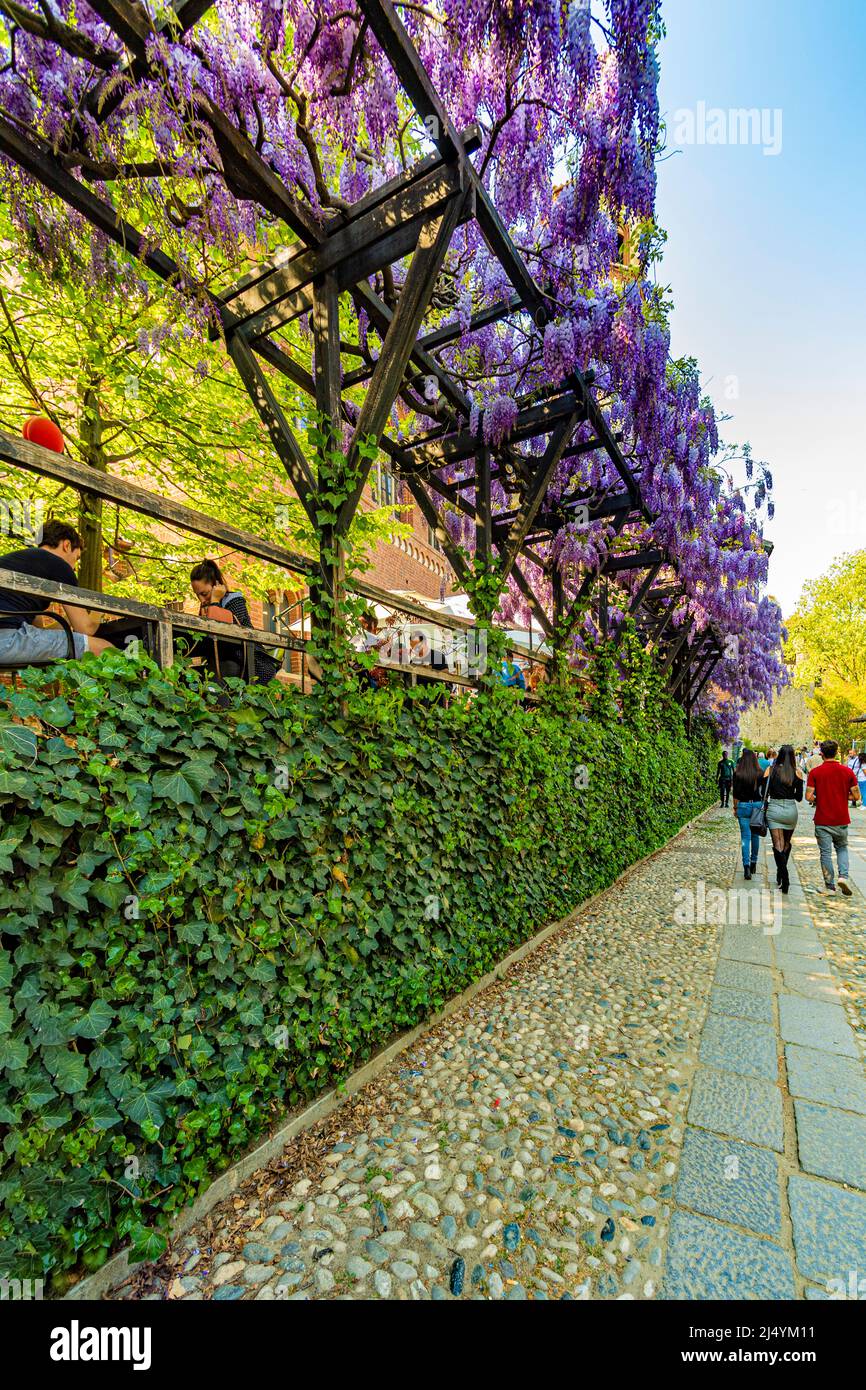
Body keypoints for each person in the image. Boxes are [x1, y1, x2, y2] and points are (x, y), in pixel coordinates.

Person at [0, 519, 113, 662]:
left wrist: (68, 620)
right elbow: (86, 629)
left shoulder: (18, 562)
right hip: (6, 639)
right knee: (105, 649)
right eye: (76, 558)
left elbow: (40, 631)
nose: (74, 567)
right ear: (67, 545)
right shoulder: (57, 564)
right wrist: (100, 607)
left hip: (8, 636)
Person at [189, 560, 281, 684]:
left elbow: (225, 633)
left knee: (217, 674)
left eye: (204, 594)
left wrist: (215, 601)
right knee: (191, 676)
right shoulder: (205, 607)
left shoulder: (234, 601)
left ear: (216, 585)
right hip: (227, 664)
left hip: (253, 665)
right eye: (197, 595)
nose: (201, 599)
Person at [805, 740, 862, 895]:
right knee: (842, 848)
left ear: (821, 754)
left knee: (825, 852)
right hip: (841, 818)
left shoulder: (815, 773)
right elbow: (857, 795)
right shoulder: (847, 772)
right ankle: (843, 876)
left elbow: (808, 796)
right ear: (837, 753)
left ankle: (829, 886)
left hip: (822, 819)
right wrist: (843, 796)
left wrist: (820, 798)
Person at [761, 744, 803, 894]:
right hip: (791, 810)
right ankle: (782, 873)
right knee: (786, 843)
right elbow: (799, 798)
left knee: (777, 844)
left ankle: (783, 877)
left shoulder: (770, 771)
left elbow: (762, 792)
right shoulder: (797, 773)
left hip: (775, 809)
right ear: (792, 756)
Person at [731, 747, 764, 880]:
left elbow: (736, 794)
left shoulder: (738, 773)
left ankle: (746, 868)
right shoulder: (760, 773)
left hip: (743, 805)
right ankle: (754, 863)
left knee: (745, 837)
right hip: (756, 805)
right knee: (755, 836)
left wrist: (735, 808)